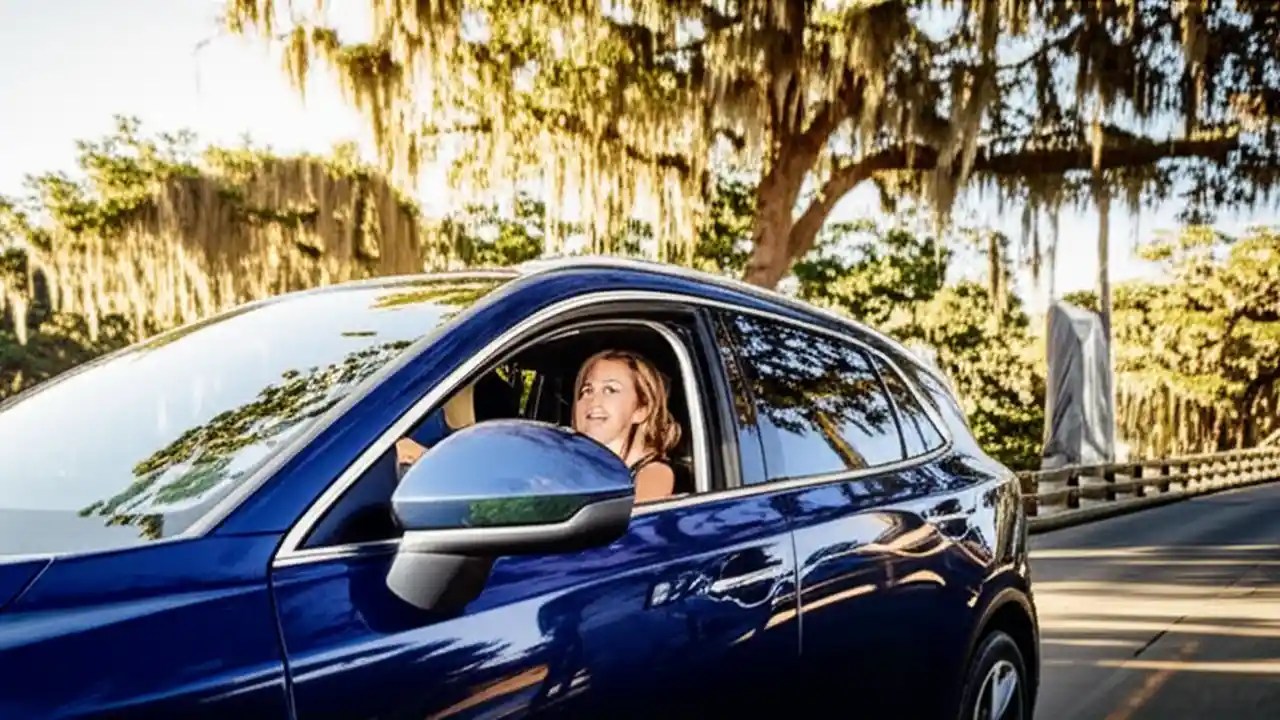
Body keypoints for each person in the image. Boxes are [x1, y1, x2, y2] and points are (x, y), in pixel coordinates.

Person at [572, 349, 682, 502]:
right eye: (587, 390)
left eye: (610, 390)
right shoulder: (586, 469)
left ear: (641, 410)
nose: (593, 401)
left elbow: (635, 524)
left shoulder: (654, 473)